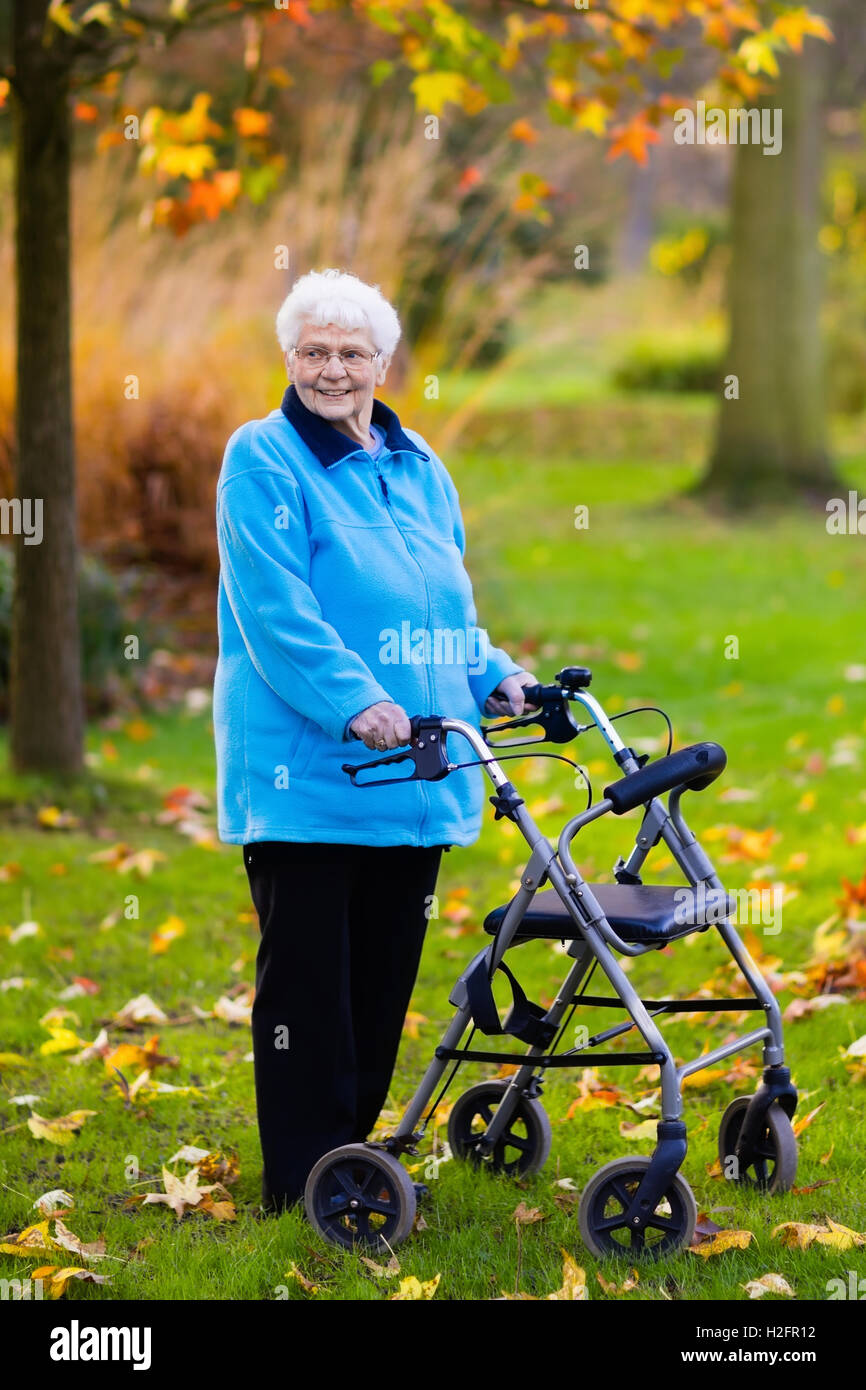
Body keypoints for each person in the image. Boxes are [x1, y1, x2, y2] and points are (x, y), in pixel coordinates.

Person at [213, 267, 537, 1214]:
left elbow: (445, 607)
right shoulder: (263, 458)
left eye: (351, 353)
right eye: (313, 351)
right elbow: (276, 612)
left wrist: (495, 674)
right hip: (311, 774)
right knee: (310, 994)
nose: (332, 370)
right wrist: (356, 701)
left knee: (381, 983)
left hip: (414, 776)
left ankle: (348, 1169)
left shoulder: (417, 463)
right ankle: (303, 1187)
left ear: (382, 364)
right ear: (289, 358)